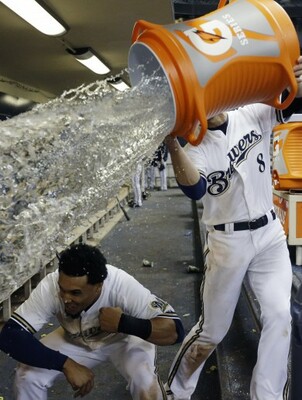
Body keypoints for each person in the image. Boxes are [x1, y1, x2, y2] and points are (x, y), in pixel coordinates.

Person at [164, 56, 302, 400]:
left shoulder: (253, 110)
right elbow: (193, 189)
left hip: (270, 234)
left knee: (280, 315)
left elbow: (288, 100)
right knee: (212, 331)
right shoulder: (194, 147)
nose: (203, 105)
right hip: (228, 241)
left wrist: (293, 77)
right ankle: (176, 391)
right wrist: (171, 142)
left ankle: (266, 396)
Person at [0, 243, 185, 400]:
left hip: (124, 339)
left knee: (146, 385)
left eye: (75, 293)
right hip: (75, 338)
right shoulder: (50, 286)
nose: (65, 298)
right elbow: (9, 335)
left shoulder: (121, 284)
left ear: (98, 287)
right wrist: (65, 363)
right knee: (27, 375)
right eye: (62, 289)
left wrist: (124, 323)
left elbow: (175, 330)